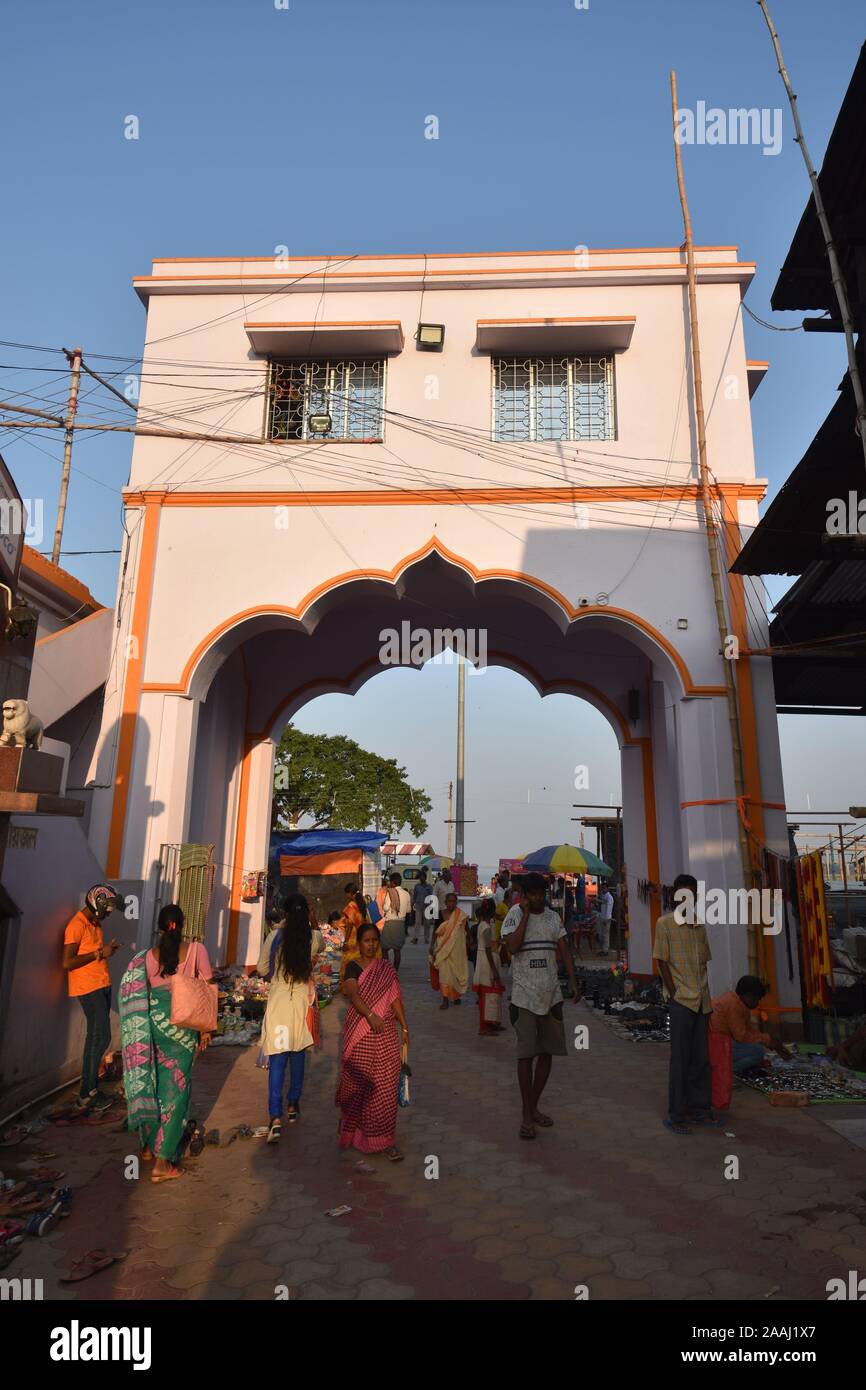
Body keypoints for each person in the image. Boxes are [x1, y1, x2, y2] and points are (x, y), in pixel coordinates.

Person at [119, 905, 213, 1184]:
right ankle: (163, 1161)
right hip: (183, 1025)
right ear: (182, 925)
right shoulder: (197, 950)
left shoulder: (146, 957)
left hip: (153, 1024)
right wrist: (206, 1030)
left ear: (160, 927)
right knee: (176, 1092)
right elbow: (206, 990)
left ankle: (148, 1146)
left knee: (153, 1082)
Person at [500, 872, 579, 1140]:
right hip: (524, 996)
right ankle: (526, 1114)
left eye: (541, 894)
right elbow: (511, 948)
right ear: (524, 895)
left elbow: (564, 950)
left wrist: (573, 981)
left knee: (547, 1053)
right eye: (532, 894)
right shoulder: (514, 915)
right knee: (526, 1055)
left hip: (551, 994)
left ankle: (533, 1107)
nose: (537, 898)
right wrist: (524, 915)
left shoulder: (553, 918)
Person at [653, 873, 719, 1136]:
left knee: (701, 1059)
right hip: (681, 1001)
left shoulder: (700, 927)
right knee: (680, 1060)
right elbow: (661, 962)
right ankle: (677, 1115)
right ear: (674, 896)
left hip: (702, 1002)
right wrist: (674, 993)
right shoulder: (665, 924)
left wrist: (706, 996)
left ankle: (700, 1109)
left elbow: (704, 965)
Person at [337, 921, 409, 1160]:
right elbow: (353, 993)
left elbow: (394, 998)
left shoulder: (385, 968)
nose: (371, 945)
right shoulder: (352, 967)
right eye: (366, 941)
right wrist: (370, 1016)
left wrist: (404, 1026)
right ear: (359, 943)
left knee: (385, 1088)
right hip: (362, 1034)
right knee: (358, 1086)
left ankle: (385, 1140)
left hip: (385, 1034)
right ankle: (353, 1131)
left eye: (374, 941)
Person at [260, 894, 322, 1141]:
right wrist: (313, 921)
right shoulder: (312, 938)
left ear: (284, 913)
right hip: (301, 1005)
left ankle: (275, 1116)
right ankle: (293, 1104)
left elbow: (262, 968)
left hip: (279, 1003)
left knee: (278, 1059)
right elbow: (319, 943)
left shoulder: (275, 937)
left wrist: (276, 975)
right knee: (298, 1055)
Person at [62, 884, 125, 1112]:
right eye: (108, 908)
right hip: (88, 988)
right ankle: (86, 1093)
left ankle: (89, 1092)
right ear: (97, 903)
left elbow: (91, 954)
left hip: (100, 985)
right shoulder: (76, 925)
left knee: (95, 1038)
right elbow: (67, 962)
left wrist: (106, 951)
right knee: (101, 1037)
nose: (109, 912)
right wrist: (99, 953)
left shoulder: (94, 924)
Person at [710, 976, 785, 1073]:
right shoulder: (734, 1005)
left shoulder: (735, 1001)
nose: (757, 1003)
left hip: (716, 1043)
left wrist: (768, 1040)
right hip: (715, 1045)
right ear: (748, 995)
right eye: (757, 999)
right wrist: (767, 1039)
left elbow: (748, 1029)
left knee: (754, 1050)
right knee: (757, 1051)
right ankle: (725, 1072)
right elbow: (741, 1037)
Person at [431, 891, 470, 1010]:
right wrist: (431, 947)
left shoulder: (461, 916)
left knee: (456, 973)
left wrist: (470, 944)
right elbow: (435, 932)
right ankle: (445, 999)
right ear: (445, 902)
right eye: (449, 901)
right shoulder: (440, 914)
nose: (451, 904)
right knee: (444, 975)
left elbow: (466, 931)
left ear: (456, 902)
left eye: (453, 901)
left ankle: (456, 996)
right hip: (443, 949)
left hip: (457, 950)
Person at [473, 897, 504, 1035]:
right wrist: (494, 970)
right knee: (487, 994)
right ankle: (484, 1027)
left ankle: (490, 1022)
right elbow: (487, 949)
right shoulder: (485, 928)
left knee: (489, 994)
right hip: (486, 962)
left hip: (484, 959)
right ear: (492, 912)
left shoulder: (482, 924)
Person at [377, 872, 411, 973]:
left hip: (390, 923)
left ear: (392, 882)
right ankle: (395, 971)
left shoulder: (390, 893)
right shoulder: (406, 894)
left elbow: (385, 908)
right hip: (400, 924)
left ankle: (387, 970)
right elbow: (409, 910)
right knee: (397, 950)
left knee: (384, 948)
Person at [337, 882, 369, 980]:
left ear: (350, 893)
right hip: (361, 936)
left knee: (349, 962)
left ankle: (348, 983)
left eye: (346, 894)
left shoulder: (351, 906)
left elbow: (350, 925)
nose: (346, 896)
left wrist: (346, 942)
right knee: (359, 961)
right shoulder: (362, 903)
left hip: (353, 938)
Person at [412, 869, 431, 945]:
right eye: (420, 877)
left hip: (427, 907)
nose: (421, 878)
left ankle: (427, 938)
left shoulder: (429, 886)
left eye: (423, 877)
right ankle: (416, 938)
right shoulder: (417, 886)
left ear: (425, 878)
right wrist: (412, 904)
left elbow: (431, 896)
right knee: (417, 922)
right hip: (418, 906)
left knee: (427, 923)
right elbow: (414, 896)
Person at [596, 882, 614, 956]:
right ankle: (603, 949)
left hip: (606, 918)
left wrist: (606, 919)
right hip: (603, 917)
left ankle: (605, 950)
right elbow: (603, 903)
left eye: (604, 888)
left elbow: (608, 909)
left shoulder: (609, 897)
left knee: (605, 935)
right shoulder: (604, 896)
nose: (603, 889)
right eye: (602, 888)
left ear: (607, 888)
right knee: (602, 934)